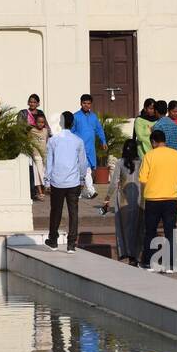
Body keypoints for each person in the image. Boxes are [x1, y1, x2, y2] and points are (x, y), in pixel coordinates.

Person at [138, 130, 177, 272]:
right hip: (171, 199)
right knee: (170, 232)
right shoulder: (176, 155)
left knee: (150, 231)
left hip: (153, 199)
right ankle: (170, 264)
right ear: (164, 140)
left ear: (153, 142)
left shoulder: (149, 155)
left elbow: (142, 178)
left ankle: (148, 263)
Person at [45, 110, 89, 253]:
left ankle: (53, 240)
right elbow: (83, 163)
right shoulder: (78, 141)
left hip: (57, 181)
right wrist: (83, 179)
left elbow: (49, 162)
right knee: (73, 212)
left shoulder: (53, 140)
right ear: (73, 123)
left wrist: (47, 181)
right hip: (73, 182)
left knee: (56, 211)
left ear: (60, 123)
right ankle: (71, 244)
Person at [106, 137, 142, 265]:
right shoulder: (141, 162)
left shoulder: (120, 162)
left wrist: (107, 198)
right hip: (139, 198)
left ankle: (125, 251)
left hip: (123, 199)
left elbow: (114, 182)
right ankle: (135, 255)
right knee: (137, 227)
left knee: (124, 227)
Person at [71, 94, 107, 195]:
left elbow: (99, 129)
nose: (86, 105)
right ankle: (91, 191)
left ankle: (79, 192)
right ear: (80, 103)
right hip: (79, 148)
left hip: (90, 148)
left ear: (91, 104)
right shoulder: (76, 116)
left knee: (88, 169)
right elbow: (71, 131)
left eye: (88, 103)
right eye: (84, 103)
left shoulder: (94, 117)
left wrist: (103, 141)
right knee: (85, 169)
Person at [30, 111, 49, 199]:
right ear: (35, 122)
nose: (40, 124)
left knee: (44, 172)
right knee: (38, 172)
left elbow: (47, 141)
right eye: (38, 122)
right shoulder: (32, 131)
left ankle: (43, 191)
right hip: (36, 154)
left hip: (44, 155)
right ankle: (41, 191)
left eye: (42, 122)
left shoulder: (46, 131)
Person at [133, 99, 157, 165]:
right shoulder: (139, 120)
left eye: (154, 109)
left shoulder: (158, 119)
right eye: (150, 108)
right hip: (142, 150)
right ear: (145, 108)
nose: (153, 111)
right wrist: (150, 130)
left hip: (156, 150)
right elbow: (140, 136)